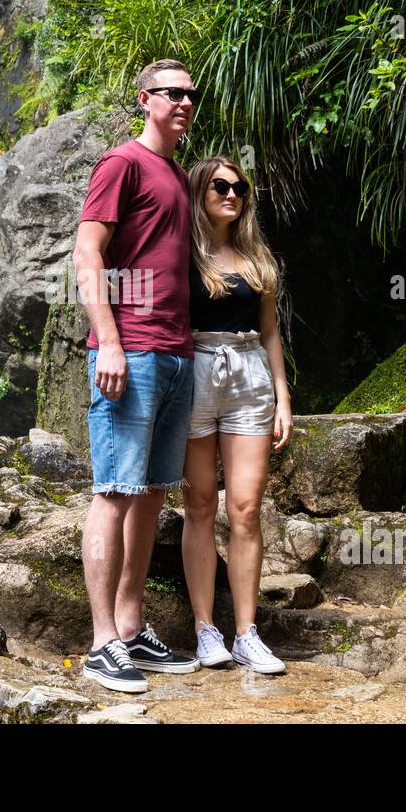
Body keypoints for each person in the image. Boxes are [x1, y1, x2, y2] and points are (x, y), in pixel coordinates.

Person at [72, 58, 203, 693]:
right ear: (145, 98)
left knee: (152, 491)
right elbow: (88, 252)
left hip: (177, 353)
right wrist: (112, 344)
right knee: (115, 490)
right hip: (133, 350)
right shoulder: (120, 163)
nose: (183, 102)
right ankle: (100, 643)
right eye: (171, 93)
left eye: (191, 95)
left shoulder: (176, 173)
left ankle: (129, 630)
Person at [180, 156, 293, 674]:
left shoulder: (256, 258)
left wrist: (283, 396)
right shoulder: (181, 253)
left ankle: (247, 632)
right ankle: (206, 630)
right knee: (201, 503)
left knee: (246, 508)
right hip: (196, 368)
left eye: (240, 187)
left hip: (248, 373)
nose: (232, 194)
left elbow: (270, 331)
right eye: (220, 186)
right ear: (200, 192)